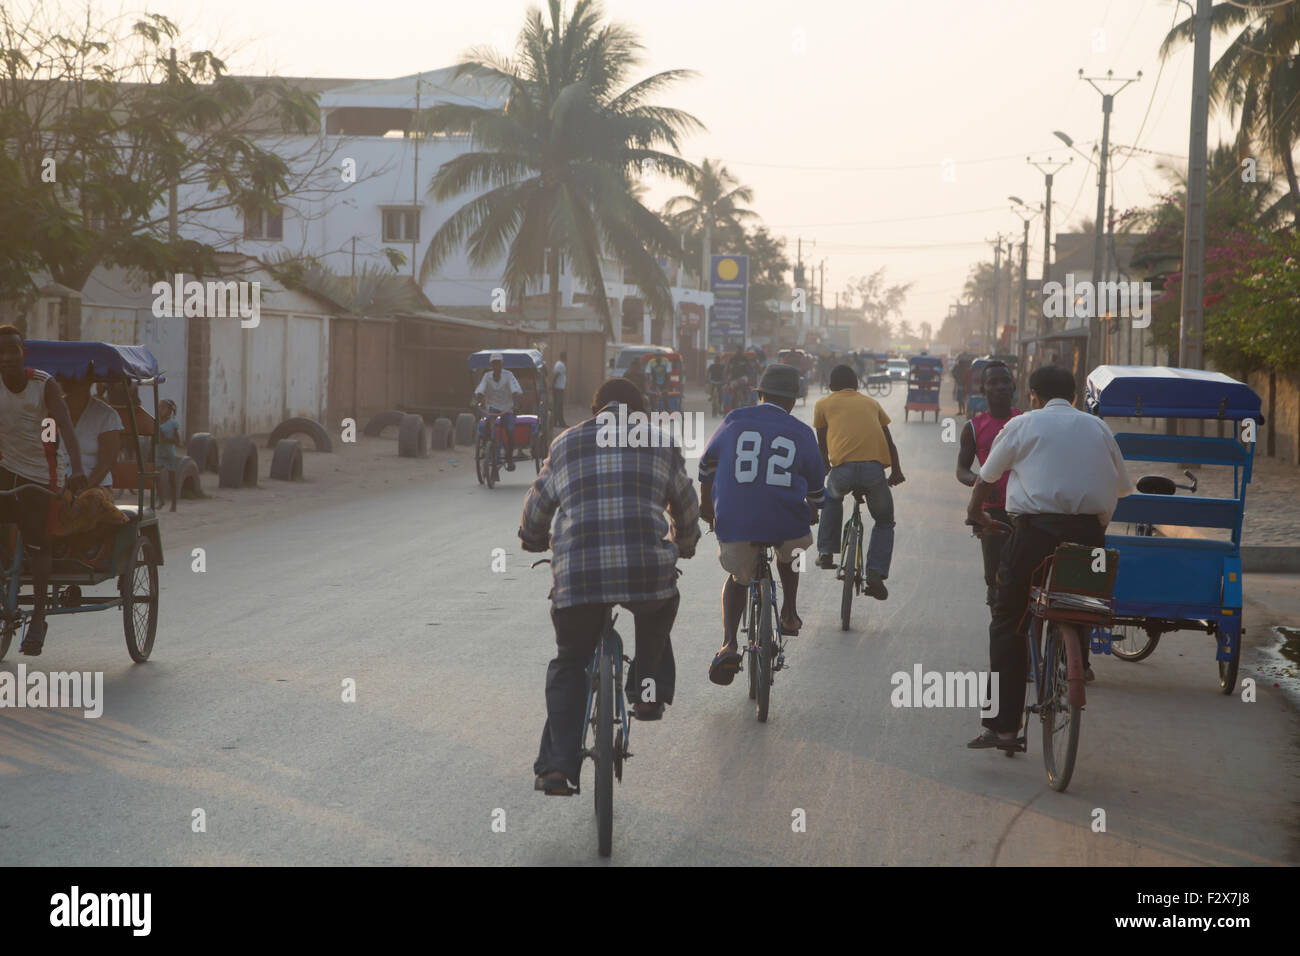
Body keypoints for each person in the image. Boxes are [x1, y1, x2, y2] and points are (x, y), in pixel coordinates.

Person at [520, 378, 699, 795]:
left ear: (595, 408)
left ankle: (556, 767)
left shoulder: (565, 444)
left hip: (579, 577)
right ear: (642, 411)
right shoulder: (662, 442)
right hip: (646, 573)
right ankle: (647, 693)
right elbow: (686, 505)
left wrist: (532, 537)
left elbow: (537, 506)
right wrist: (685, 544)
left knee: (570, 661)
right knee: (658, 611)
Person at [966, 365, 1135, 751]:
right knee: (1082, 603)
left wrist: (976, 512)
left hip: (1034, 535)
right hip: (1089, 537)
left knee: (1007, 621)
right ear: (1074, 397)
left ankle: (1004, 728)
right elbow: (1123, 488)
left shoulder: (1024, 424)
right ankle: (1074, 662)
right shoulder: (1098, 428)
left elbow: (987, 477)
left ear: (1034, 395)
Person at [698, 365, 824, 684]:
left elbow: (706, 466)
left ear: (760, 393)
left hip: (735, 520)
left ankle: (728, 644)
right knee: (793, 554)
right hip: (786, 521)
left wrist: (706, 506)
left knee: (738, 577)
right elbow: (817, 487)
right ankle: (789, 614)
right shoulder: (801, 431)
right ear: (794, 400)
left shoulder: (734, 420)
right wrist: (814, 509)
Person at [0, 326, 88, 655]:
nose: (6, 357)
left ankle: (37, 618)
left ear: (23, 352)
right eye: (1, 352)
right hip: (6, 466)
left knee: (39, 543)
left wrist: (78, 468)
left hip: (42, 473)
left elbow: (64, 425)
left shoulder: (43, 384)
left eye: (12, 350)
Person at [812, 364, 904, 598]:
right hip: (874, 470)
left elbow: (821, 443)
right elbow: (889, 441)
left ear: (831, 386)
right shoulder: (872, 403)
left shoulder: (823, 404)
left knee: (831, 499)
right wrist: (896, 471)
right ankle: (875, 572)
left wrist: (825, 466)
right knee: (884, 521)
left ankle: (826, 552)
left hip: (842, 470)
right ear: (856, 385)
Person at [956, 361, 1021, 608]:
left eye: (1006, 381)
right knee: (994, 576)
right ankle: (996, 603)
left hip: (1025, 508)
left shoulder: (1026, 421)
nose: (1001, 387)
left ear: (1014, 386)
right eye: (993, 382)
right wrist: (979, 482)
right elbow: (961, 469)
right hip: (990, 512)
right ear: (983, 389)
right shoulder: (973, 428)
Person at [59, 373, 122, 490]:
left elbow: (107, 461)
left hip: (95, 486)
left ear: (88, 382)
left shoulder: (106, 415)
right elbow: (45, 449)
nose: (71, 381)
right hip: (56, 484)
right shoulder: (49, 412)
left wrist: (84, 490)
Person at [473, 352, 523, 471]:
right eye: (494, 364)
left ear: (501, 364)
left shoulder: (509, 375)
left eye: (498, 363)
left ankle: (509, 458)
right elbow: (480, 390)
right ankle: (488, 449)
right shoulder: (487, 376)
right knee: (488, 428)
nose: (496, 366)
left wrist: (516, 404)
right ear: (491, 365)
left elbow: (515, 390)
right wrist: (478, 400)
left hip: (507, 408)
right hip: (492, 407)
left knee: (510, 432)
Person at [155, 399, 183, 511]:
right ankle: (161, 500)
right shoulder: (156, 422)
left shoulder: (172, 424)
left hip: (169, 454)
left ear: (170, 410)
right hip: (158, 453)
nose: (161, 410)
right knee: (156, 476)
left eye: (163, 407)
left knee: (172, 480)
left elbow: (178, 442)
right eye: (159, 407)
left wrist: (166, 439)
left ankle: (174, 504)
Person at [551, 351, 567, 428]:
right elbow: (556, 375)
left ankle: (560, 422)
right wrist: (553, 385)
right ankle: (555, 422)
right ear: (564, 357)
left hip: (559, 387)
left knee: (559, 406)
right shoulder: (560, 365)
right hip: (558, 388)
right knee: (557, 406)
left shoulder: (559, 364)